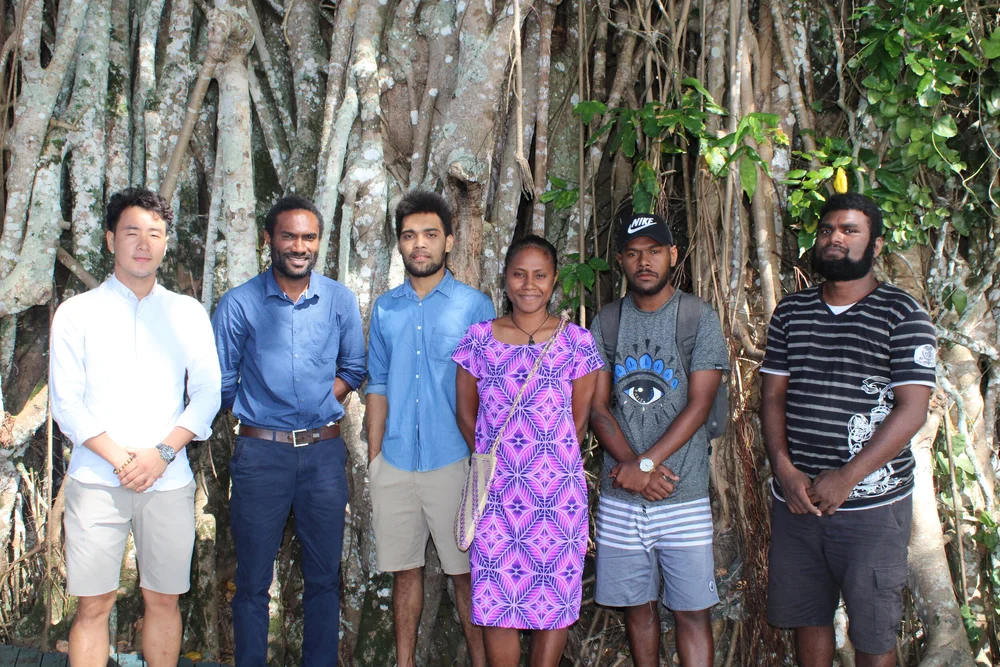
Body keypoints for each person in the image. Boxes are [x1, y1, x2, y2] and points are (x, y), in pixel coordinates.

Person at [760, 193, 936, 667]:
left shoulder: (903, 315)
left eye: (849, 230)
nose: (834, 238)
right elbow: (773, 397)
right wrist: (785, 471)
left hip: (872, 508)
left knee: (874, 631)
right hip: (797, 502)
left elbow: (912, 410)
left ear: (875, 245)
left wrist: (847, 477)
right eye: (827, 230)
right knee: (807, 618)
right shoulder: (791, 313)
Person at [50, 188, 221, 667]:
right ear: (110, 240)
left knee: (164, 599)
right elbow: (66, 402)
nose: (144, 244)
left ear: (166, 243)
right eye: (132, 232)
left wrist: (160, 454)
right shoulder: (78, 313)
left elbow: (208, 393)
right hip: (95, 479)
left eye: (155, 234)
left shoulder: (186, 312)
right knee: (93, 605)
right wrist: (123, 459)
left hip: (167, 478)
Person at [212, 195, 366, 667]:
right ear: (269, 239)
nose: (300, 246)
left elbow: (353, 367)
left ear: (319, 242)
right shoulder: (239, 303)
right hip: (261, 457)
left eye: (309, 237)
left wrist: (318, 401)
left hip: (322, 457)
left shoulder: (338, 300)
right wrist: (265, 412)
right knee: (253, 582)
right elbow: (222, 382)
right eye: (289, 236)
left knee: (324, 579)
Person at [452, 235, 602, 667]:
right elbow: (466, 415)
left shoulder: (577, 341)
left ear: (554, 281)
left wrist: (544, 466)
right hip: (495, 498)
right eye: (519, 274)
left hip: (558, 498)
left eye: (539, 275)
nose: (529, 285)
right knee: (495, 600)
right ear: (505, 279)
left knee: (555, 600)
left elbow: (578, 423)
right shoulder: (479, 339)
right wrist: (498, 467)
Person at [588, 213, 729, 667]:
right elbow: (597, 407)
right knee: (637, 609)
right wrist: (633, 469)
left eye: (653, 251)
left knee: (692, 612)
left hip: (682, 493)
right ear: (620, 261)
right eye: (633, 253)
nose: (643, 262)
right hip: (623, 497)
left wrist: (645, 466)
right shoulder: (607, 322)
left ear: (673, 255)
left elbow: (699, 405)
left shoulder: (698, 318)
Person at [365, 191, 492, 667]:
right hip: (396, 462)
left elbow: (489, 388)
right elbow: (377, 384)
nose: (419, 244)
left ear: (449, 242)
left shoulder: (474, 307)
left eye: (430, 234)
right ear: (399, 244)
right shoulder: (385, 309)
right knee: (405, 573)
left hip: (454, 462)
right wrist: (376, 458)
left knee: (466, 575)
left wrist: (480, 461)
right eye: (409, 236)